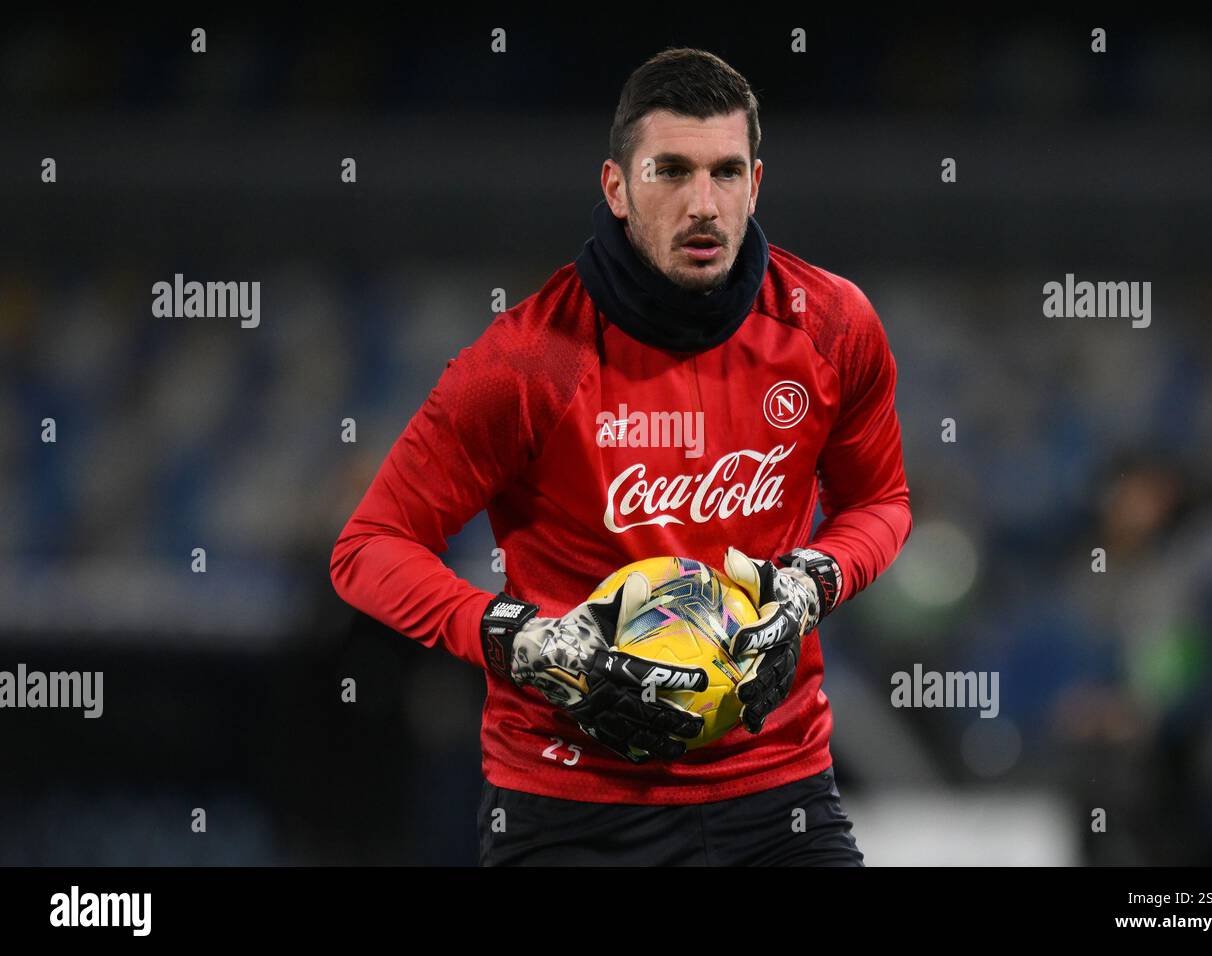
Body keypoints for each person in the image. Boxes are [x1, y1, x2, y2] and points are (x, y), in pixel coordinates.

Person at [330, 47, 912, 865]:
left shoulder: (833, 325)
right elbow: (368, 548)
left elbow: (881, 504)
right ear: (616, 186)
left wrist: (814, 581)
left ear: (756, 183)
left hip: (776, 792)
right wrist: (513, 635)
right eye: (670, 171)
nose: (702, 204)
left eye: (725, 172)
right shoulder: (525, 361)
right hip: (571, 809)